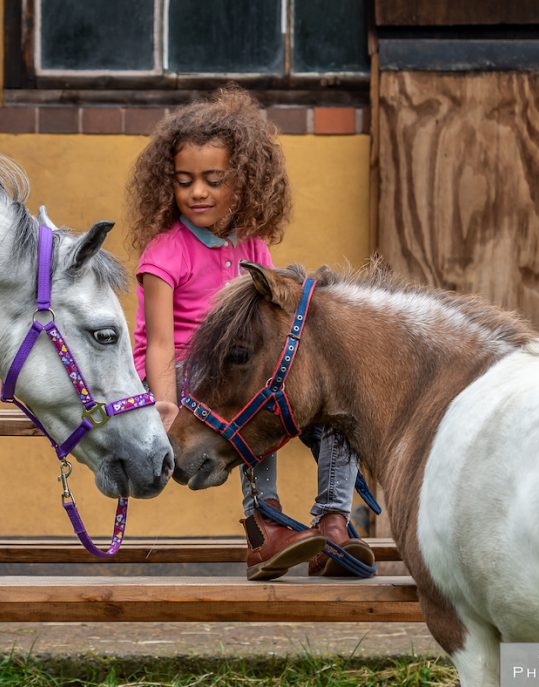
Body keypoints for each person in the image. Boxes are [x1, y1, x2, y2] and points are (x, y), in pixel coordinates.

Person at [127, 86, 374, 581]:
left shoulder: (253, 247)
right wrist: (165, 403)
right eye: (184, 181)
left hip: (243, 360)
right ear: (167, 185)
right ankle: (266, 525)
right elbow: (154, 343)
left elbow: (272, 325)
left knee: (334, 407)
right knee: (249, 395)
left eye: (213, 180)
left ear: (244, 182)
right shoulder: (164, 253)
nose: (197, 192)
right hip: (178, 369)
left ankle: (332, 523)